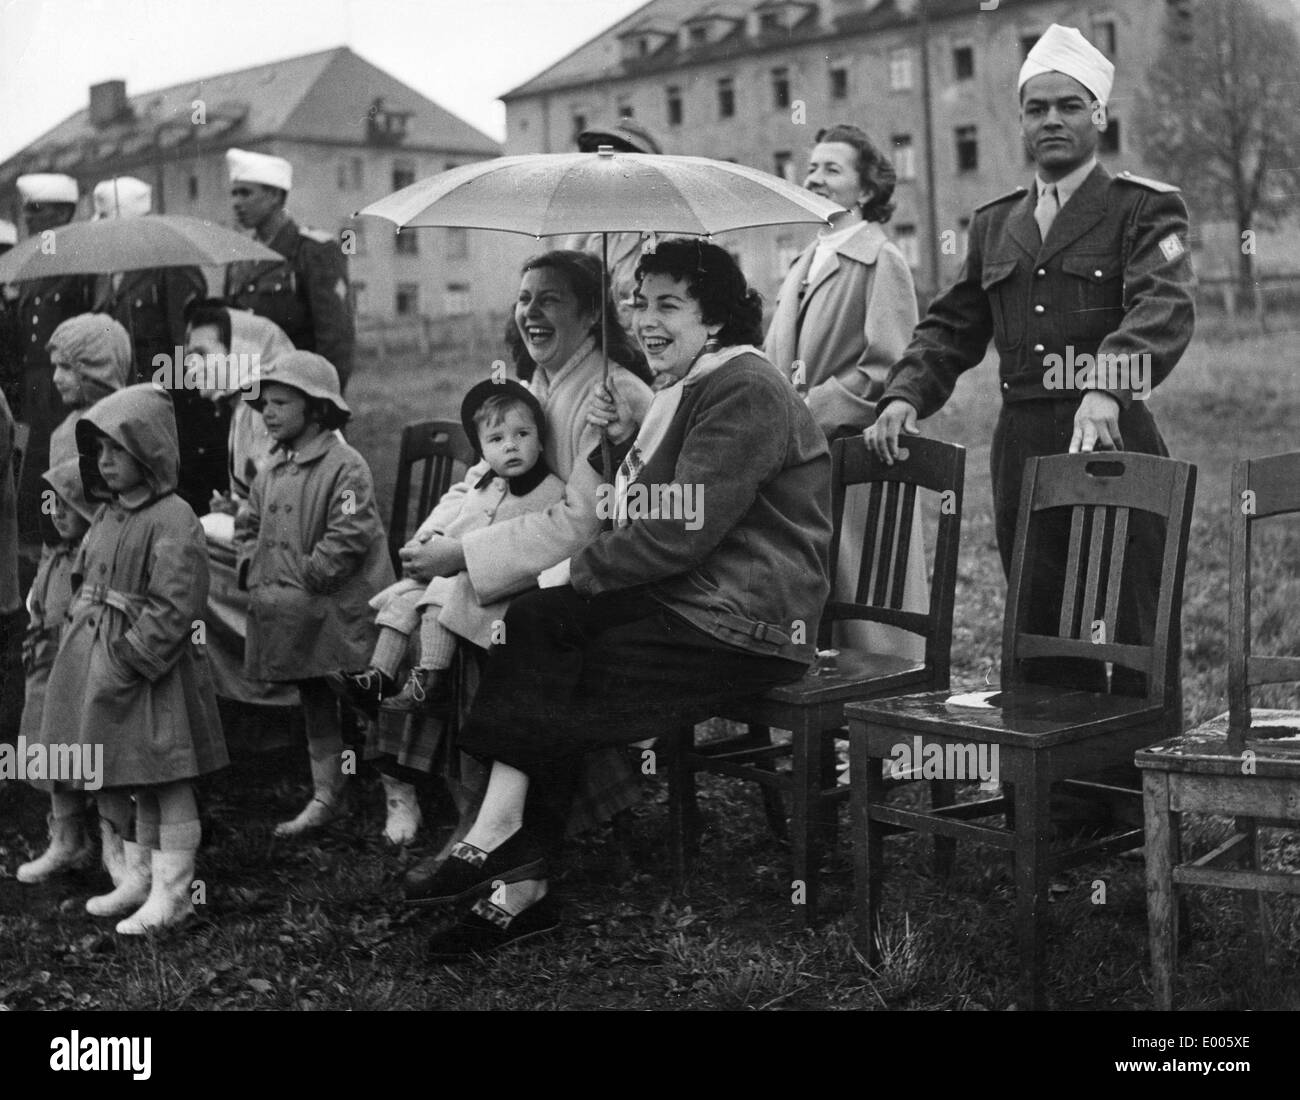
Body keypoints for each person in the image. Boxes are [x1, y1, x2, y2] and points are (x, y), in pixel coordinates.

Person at [412, 239, 833, 957]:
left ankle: (518, 878)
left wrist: (561, 573)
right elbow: (638, 508)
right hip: (691, 602)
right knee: (537, 627)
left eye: (671, 304)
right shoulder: (685, 388)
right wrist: (614, 448)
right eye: (641, 302)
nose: (646, 320)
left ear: (719, 317)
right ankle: (502, 837)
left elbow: (673, 533)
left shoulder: (745, 388)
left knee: (555, 655)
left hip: (746, 623)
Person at [865, 24, 1196, 701]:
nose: (1052, 120)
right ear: (1020, 119)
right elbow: (953, 323)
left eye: (1069, 105)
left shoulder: (1142, 208)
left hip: (1114, 436)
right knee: (1041, 616)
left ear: (1100, 115)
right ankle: (1066, 800)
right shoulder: (994, 225)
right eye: (1037, 107)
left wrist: (1108, 384)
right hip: (1025, 447)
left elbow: (1163, 306)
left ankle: (1133, 790)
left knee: (1132, 614)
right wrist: (904, 394)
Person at [395, 250, 654, 855]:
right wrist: (438, 540)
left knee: (470, 607)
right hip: (537, 567)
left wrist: (464, 556)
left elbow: (582, 525)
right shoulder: (539, 383)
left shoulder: (609, 394)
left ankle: (495, 818)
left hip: (600, 580)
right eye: (524, 298)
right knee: (419, 601)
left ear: (592, 315)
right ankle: (464, 798)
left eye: (550, 299)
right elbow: (485, 477)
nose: (531, 312)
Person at [329, 379, 566, 845]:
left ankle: (426, 679)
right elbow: (452, 510)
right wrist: (426, 539)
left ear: (541, 437)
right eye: (496, 441)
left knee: (438, 594)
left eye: (523, 435)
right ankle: (378, 676)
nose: (511, 447)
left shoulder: (551, 491)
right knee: (399, 599)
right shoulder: (484, 480)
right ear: (481, 449)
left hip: (495, 588)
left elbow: (533, 547)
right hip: (458, 573)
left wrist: (453, 558)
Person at [38, 384, 227, 934]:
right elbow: (84, 572)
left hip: (151, 673)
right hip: (103, 664)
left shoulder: (173, 518)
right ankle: (139, 878)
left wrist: (126, 658)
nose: (105, 463)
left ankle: (176, 890)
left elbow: (176, 603)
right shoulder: (109, 514)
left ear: (149, 449)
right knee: (136, 776)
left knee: (168, 779)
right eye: (98, 452)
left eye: (117, 450)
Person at [765, 123, 926, 660]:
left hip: (853, 458)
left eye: (832, 169)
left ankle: (881, 710)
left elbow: (891, 365)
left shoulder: (882, 259)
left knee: (865, 599)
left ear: (865, 190)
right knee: (811, 593)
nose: (816, 178)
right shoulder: (801, 262)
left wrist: (815, 408)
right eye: (812, 168)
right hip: (799, 458)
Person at [235, 352, 393, 837]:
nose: (269, 413)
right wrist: (252, 565)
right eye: (265, 404)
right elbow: (249, 526)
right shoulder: (271, 471)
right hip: (298, 610)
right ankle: (329, 792)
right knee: (314, 697)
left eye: (281, 402)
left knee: (369, 697)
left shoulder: (346, 466)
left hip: (343, 607)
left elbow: (350, 534)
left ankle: (399, 791)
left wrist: (306, 574)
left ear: (317, 408)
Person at [182, 301, 299, 711]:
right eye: (187, 357)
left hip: (301, 562)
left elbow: (292, 510)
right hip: (269, 548)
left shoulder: (271, 413)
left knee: (181, 562)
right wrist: (235, 507)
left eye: (202, 355)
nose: (189, 367)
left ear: (243, 354)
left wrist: (238, 515)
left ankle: (250, 701)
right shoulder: (240, 412)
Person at [14, 460, 96, 884]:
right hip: (48, 669)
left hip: (85, 666)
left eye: (70, 505)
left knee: (92, 747)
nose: (59, 514)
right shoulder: (53, 557)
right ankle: (67, 836)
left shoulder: (95, 554)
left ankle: (118, 843)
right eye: (54, 506)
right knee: (49, 744)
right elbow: (39, 607)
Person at [223, 149, 355, 391]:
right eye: (234, 194)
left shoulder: (313, 251)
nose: (236, 203)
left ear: (274, 195)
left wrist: (321, 404)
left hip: (299, 396)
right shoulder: (239, 257)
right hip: (248, 393)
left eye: (245, 193)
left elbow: (335, 341)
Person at [9, 174, 93, 548]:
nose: (29, 218)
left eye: (38, 209)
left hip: (65, 385)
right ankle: (42, 542)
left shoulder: (81, 266)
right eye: (27, 210)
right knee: (36, 465)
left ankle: (65, 538)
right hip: (34, 388)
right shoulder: (33, 270)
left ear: (65, 213)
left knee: (66, 463)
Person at [89, 177, 206, 385]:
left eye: (106, 220)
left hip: (163, 388)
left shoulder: (170, 265)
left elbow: (185, 342)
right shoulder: (104, 275)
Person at [560, 118, 663, 329]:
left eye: (620, 167)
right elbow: (565, 289)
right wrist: (576, 241)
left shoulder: (662, 233)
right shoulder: (597, 236)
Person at [45, 313, 133, 468]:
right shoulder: (64, 435)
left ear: (98, 367)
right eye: (55, 367)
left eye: (66, 367)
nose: (56, 378)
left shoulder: (131, 429)